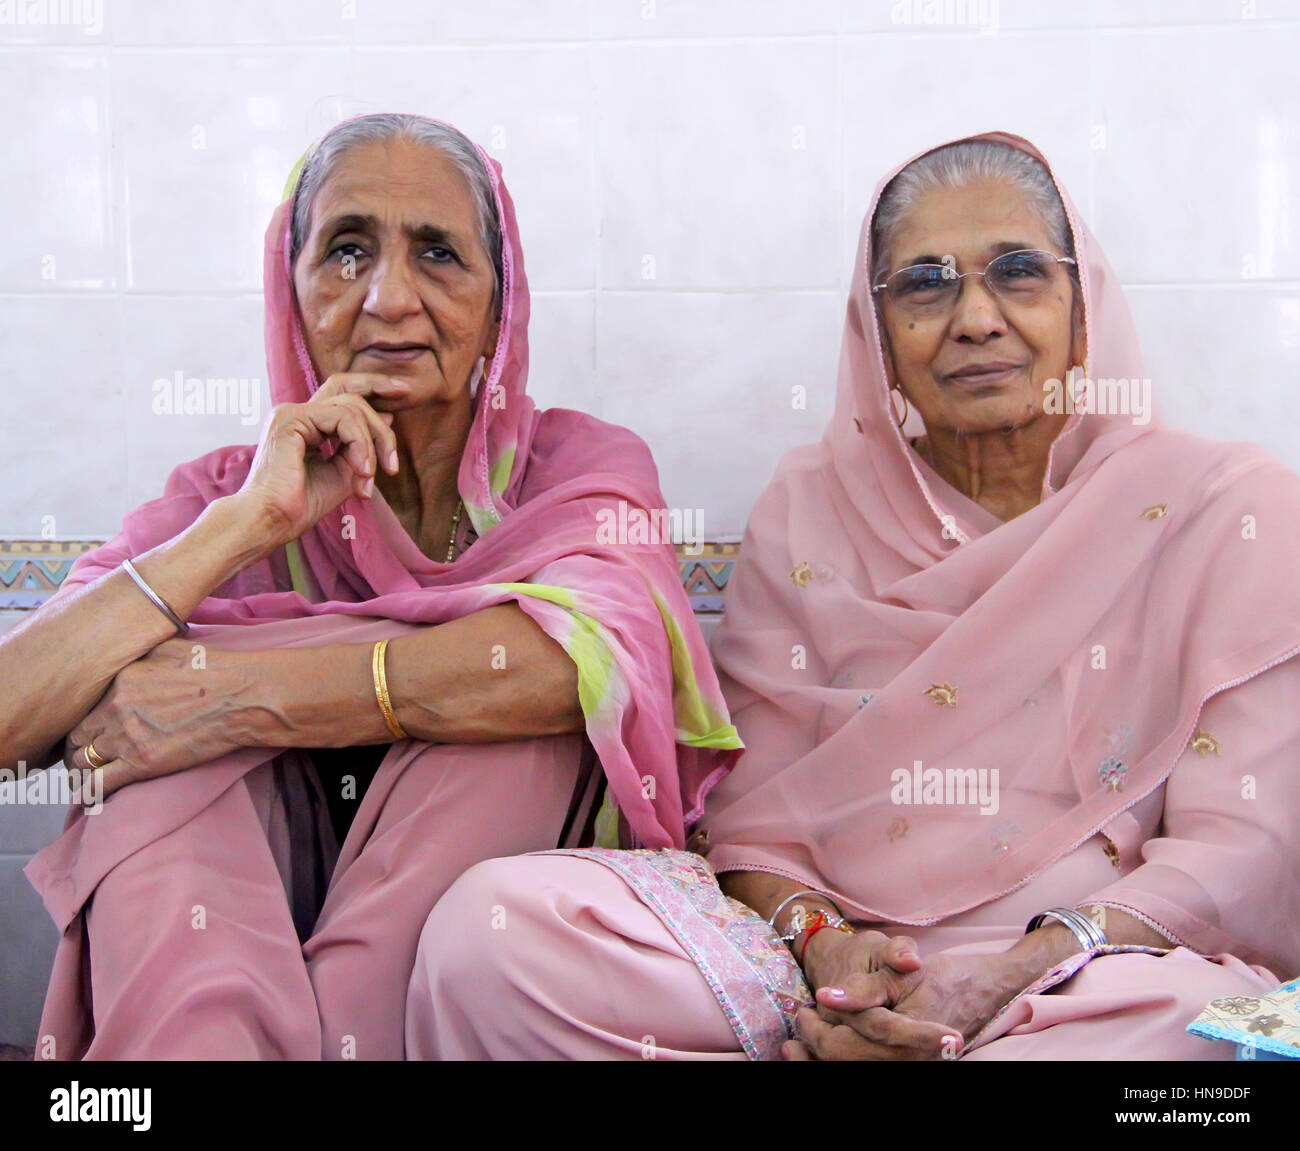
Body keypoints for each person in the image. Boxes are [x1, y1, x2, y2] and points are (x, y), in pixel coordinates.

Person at [406, 131, 1300, 1061]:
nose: (976, 317)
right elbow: (751, 817)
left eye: (1019, 272)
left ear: (1084, 308)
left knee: (1195, 1038)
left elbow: (1242, 851)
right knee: (494, 931)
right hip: (818, 959)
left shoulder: (1224, 508)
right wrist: (830, 953)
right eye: (926, 283)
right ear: (876, 332)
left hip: (1085, 973)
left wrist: (1012, 968)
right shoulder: (813, 508)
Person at [2, 113, 739, 1060]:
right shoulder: (228, 494)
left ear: (500, 299)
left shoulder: (575, 469)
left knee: (513, 719)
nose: (390, 298)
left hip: (459, 964)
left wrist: (233, 695)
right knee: (154, 771)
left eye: (438, 254)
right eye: (348, 251)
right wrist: (243, 529)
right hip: (259, 909)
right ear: (292, 283)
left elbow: (586, 667)